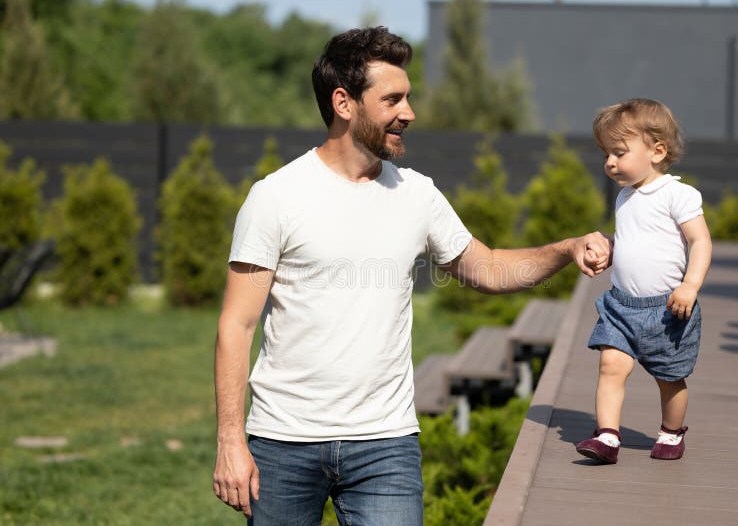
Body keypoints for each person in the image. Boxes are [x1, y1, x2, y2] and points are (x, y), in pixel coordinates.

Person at [213, 26, 611, 525]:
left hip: (385, 444)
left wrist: (566, 248)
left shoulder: (416, 193)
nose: (409, 112)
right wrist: (230, 441)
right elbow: (237, 326)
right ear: (343, 103)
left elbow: (488, 268)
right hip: (283, 442)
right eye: (392, 99)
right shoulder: (276, 197)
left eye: (408, 97)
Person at [576, 98, 712, 465]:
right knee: (611, 365)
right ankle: (607, 435)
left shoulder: (677, 195)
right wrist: (611, 252)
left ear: (657, 151)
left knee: (670, 378)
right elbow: (635, 241)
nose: (610, 162)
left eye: (619, 153)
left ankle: (671, 432)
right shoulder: (625, 196)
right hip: (621, 306)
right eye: (606, 154)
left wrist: (690, 285)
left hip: (667, 309)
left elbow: (700, 241)